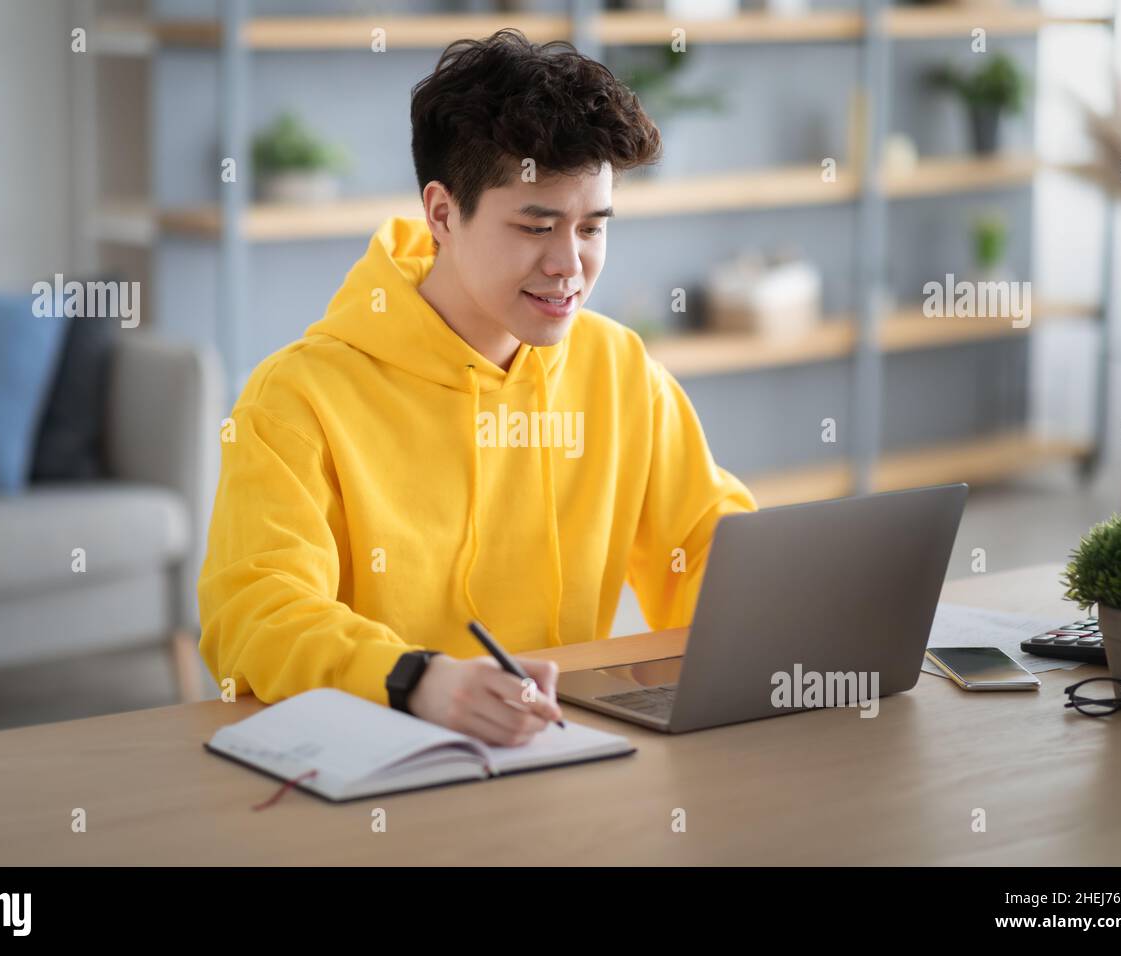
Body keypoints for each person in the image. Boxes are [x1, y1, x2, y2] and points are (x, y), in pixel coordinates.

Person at [198, 28, 758, 748]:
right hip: (387, 771)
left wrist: (771, 627)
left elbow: (707, 544)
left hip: (568, 754)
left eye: (592, 228)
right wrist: (416, 680)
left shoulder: (621, 368)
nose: (570, 265)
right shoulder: (295, 397)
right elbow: (256, 614)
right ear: (441, 214)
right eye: (535, 225)